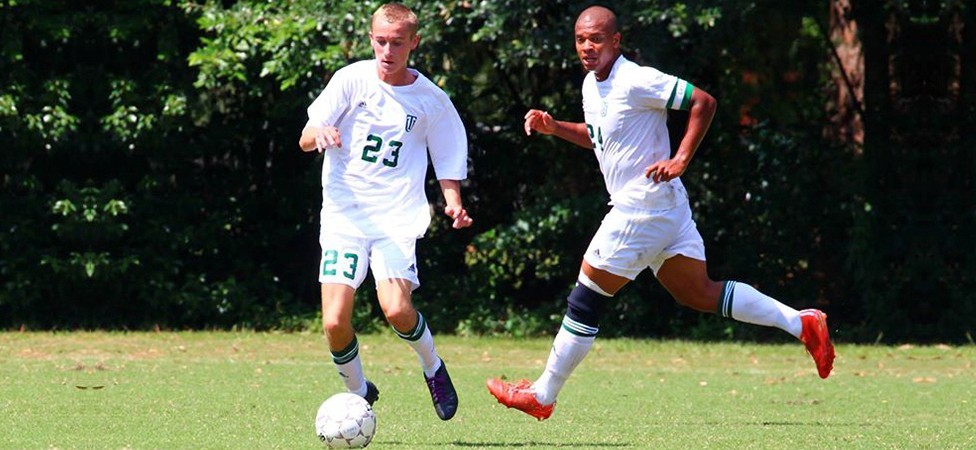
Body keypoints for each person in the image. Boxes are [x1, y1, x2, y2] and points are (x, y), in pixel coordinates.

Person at [486, 5, 835, 421]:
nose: (587, 46)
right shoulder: (590, 85)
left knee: (586, 296)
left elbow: (703, 102)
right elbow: (603, 141)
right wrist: (555, 127)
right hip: (664, 207)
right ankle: (802, 323)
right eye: (581, 39)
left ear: (616, 41)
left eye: (596, 38)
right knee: (698, 292)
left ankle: (543, 394)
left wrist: (681, 158)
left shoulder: (636, 79)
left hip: (641, 205)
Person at [298, 3, 472, 421]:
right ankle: (359, 392)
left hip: (395, 220)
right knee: (335, 322)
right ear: (370, 38)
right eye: (380, 41)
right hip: (345, 216)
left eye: (397, 43)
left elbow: (447, 156)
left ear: (414, 43)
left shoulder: (430, 99)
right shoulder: (350, 80)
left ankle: (432, 366)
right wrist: (319, 132)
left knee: (396, 309)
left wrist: (453, 202)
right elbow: (306, 137)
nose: (387, 51)